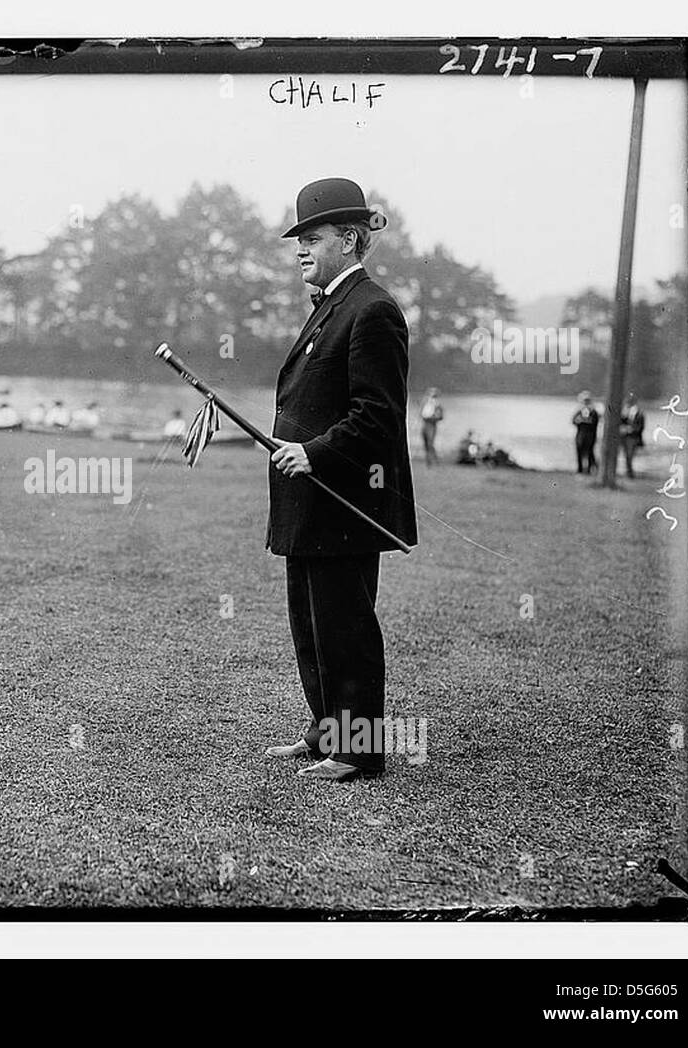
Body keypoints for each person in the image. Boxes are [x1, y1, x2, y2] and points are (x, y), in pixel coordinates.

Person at [264, 177, 418, 783]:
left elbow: (377, 416)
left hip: (345, 500)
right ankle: (326, 732)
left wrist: (315, 454)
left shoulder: (373, 309)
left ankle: (358, 751)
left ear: (349, 239)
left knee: (344, 625)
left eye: (312, 237)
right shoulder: (330, 305)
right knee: (311, 623)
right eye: (298, 239)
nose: (300, 248)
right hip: (309, 502)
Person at [572, 391, 600, 474]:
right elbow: (573, 421)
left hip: (590, 436)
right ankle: (580, 469)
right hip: (580, 435)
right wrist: (579, 421)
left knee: (589, 453)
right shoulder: (579, 411)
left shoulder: (593, 412)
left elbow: (594, 423)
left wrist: (584, 421)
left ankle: (589, 469)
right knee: (579, 452)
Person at [618, 393, 646, 479]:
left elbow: (640, 427)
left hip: (633, 438)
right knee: (626, 455)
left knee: (629, 455)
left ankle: (630, 473)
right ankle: (628, 472)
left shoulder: (639, 414)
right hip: (625, 437)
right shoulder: (626, 412)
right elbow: (621, 422)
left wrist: (630, 429)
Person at [419, 387, 443, 467]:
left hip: (431, 425)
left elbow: (440, 417)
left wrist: (432, 417)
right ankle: (429, 461)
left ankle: (434, 461)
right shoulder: (426, 404)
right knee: (426, 443)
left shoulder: (437, 405)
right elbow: (421, 414)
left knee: (430, 443)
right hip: (425, 424)